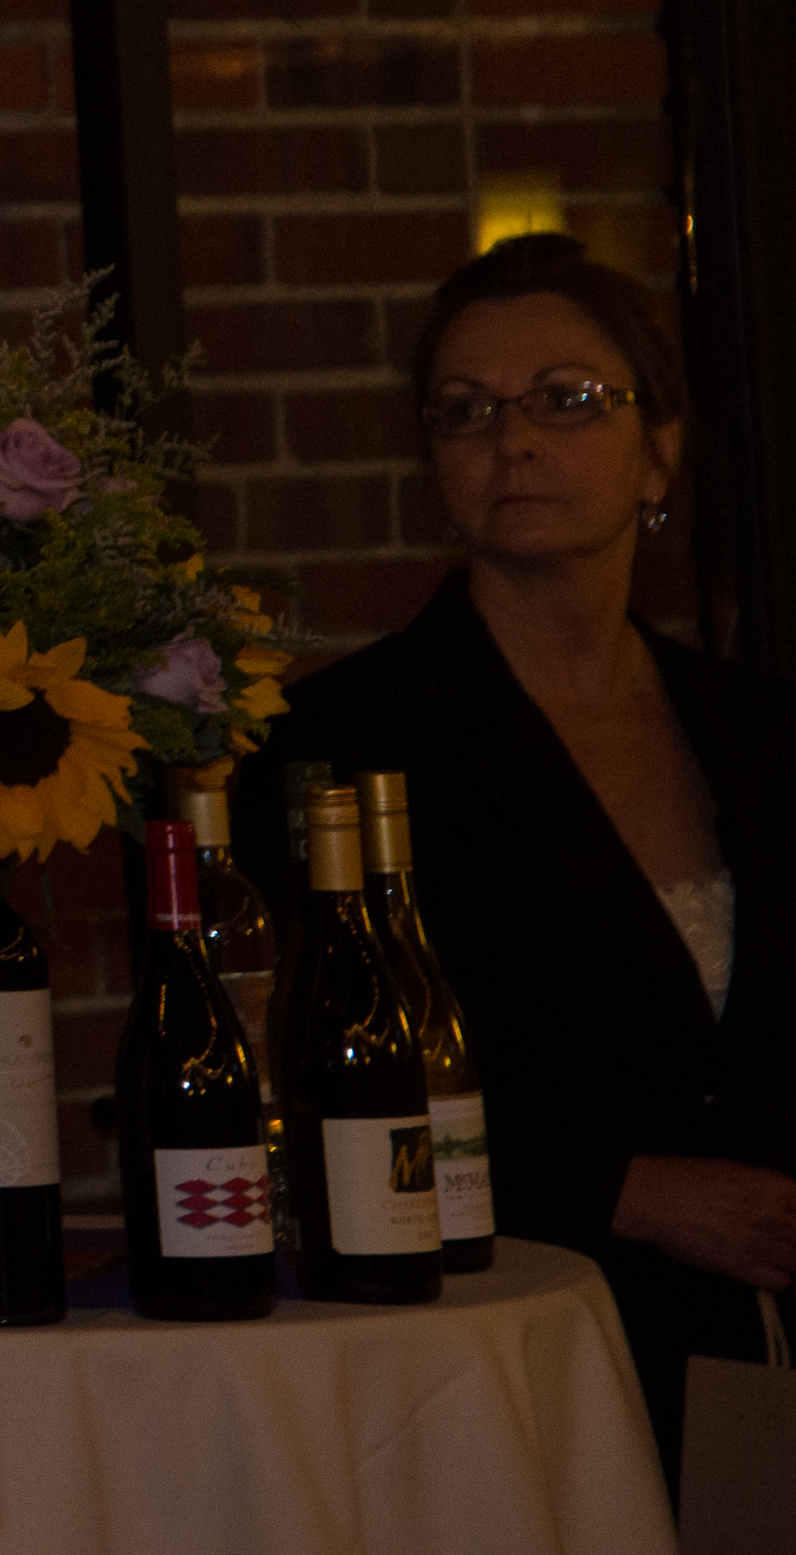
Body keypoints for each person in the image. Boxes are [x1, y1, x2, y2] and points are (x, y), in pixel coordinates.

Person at [240, 233, 793, 1483]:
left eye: (567, 399)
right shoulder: (340, 747)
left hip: (763, 1349)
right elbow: (314, 1093)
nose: (514, 439)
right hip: (507, 1348)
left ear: (660, 447)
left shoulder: (760, 732)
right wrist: (623, 1187)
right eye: (466, 411)